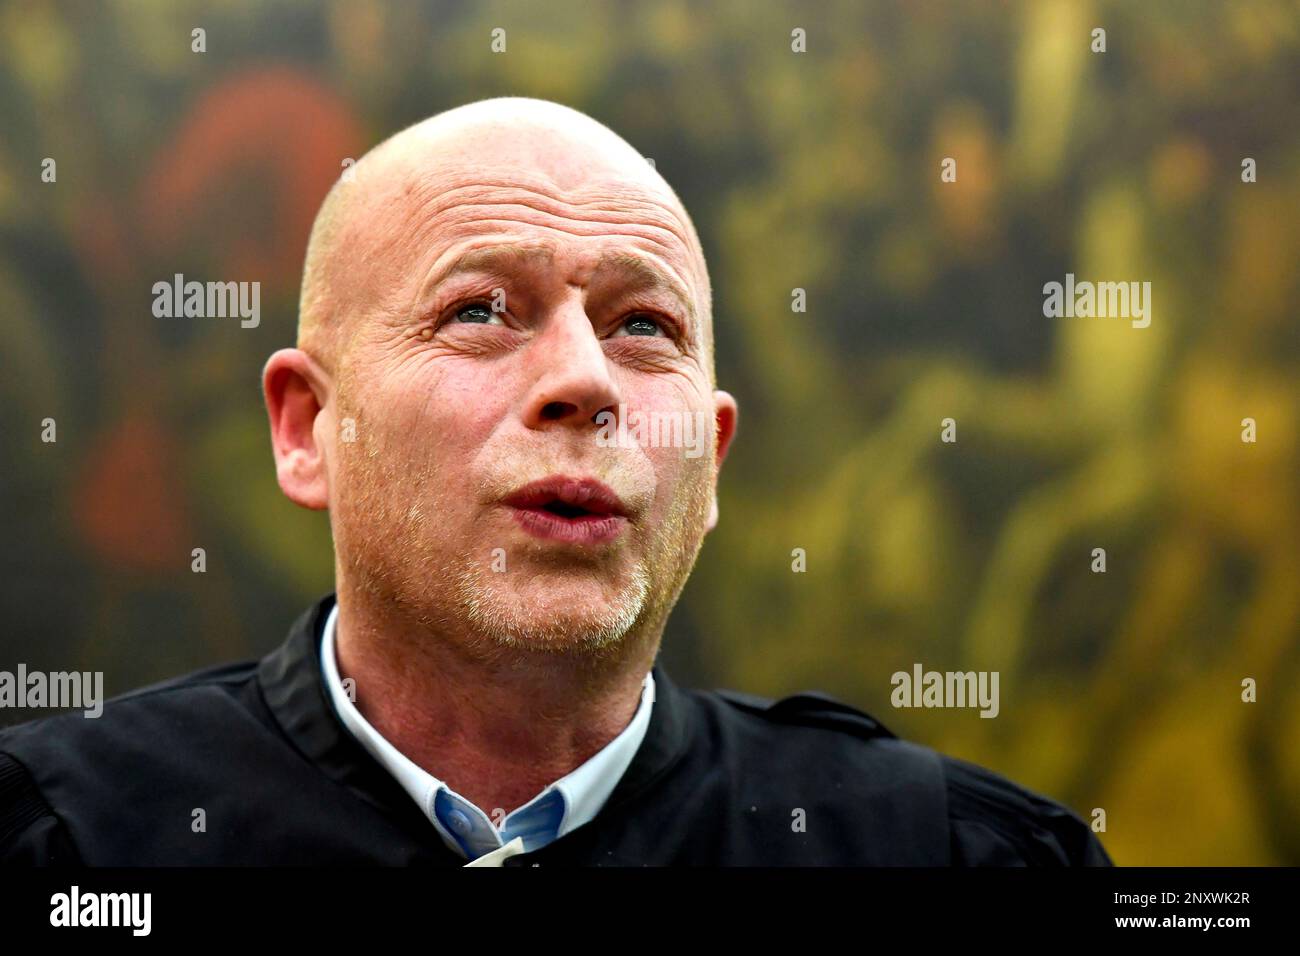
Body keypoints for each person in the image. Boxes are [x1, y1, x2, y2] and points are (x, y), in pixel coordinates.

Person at [0, 97, 1111, 866]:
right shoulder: (66, 835)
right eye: (479, 309)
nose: (585, 380)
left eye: (643, 325)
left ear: (711, 463)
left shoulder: (949, 854)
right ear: (307, 428)